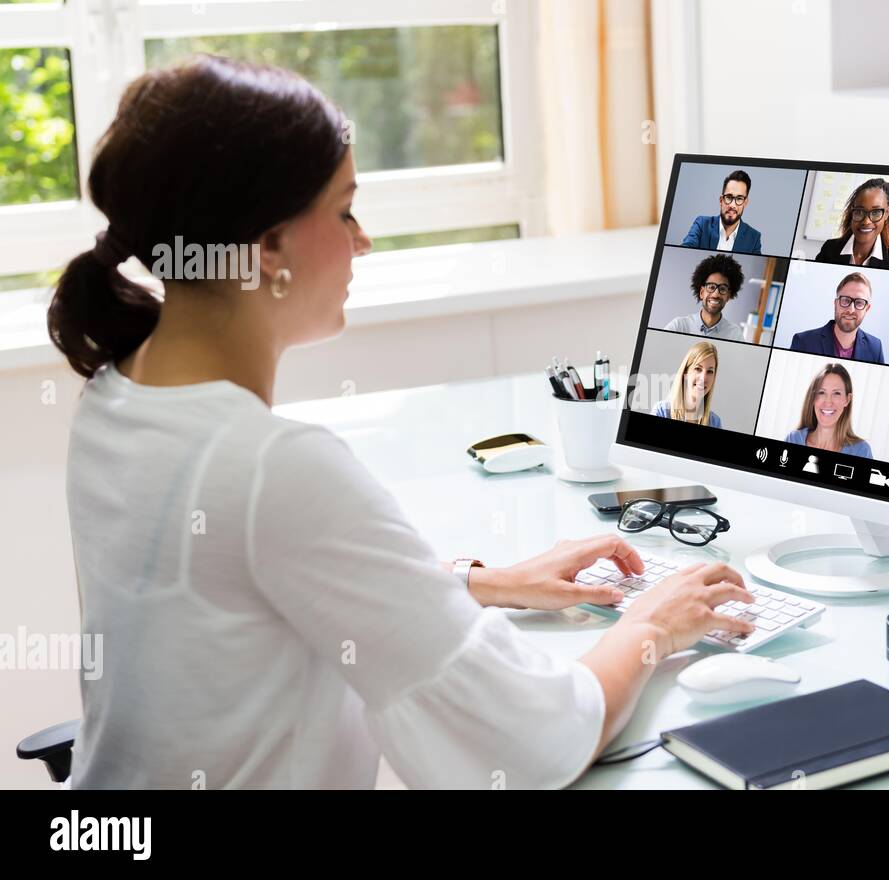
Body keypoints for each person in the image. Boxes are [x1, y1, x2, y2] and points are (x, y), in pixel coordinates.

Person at [46, 56, 755, 790]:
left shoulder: (114, 397)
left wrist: (474, 582)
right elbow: (530, 740)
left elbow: (238, 593)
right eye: (344, 208)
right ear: (268, 248)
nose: (363, 240)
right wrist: (652, 628)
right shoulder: (271, 467)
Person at [789, 272, 884, 364]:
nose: (851, 310)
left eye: (859, 303)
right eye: (845, 300)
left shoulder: (875, 348)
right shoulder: (803, 342)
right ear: (835, 303)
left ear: (867, 308)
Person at [813, 178, 889, 270]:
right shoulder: (830, 249)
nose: (866, 221)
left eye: (876, 212)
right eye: (859, 211)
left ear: (887, 213)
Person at [783, 363, 873, 458]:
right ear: (812, 397)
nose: (828, 402)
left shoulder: (861, 451)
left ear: (847, 399)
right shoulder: (793, 439)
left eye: (837, 393)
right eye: (821, 392)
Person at [663, 253, 746, 341]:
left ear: (728, 296)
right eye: (711, 287)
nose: (716, 294)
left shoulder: (735, 335)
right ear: (702, 292)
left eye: (722, 289)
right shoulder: (678, 326)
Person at [680, 169, 763, 254]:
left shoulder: (754, 238)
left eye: (739, 199)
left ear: (745, 203)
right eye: (729, 197)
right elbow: (684, 252)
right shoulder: (702, 224)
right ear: (721, 200)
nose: (732, 205)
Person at [654, 341, 722, 428]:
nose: (704, 378)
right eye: (698, 369)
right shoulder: (661, 411)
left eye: (710, 371)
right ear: (685, 372)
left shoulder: (715, 422)